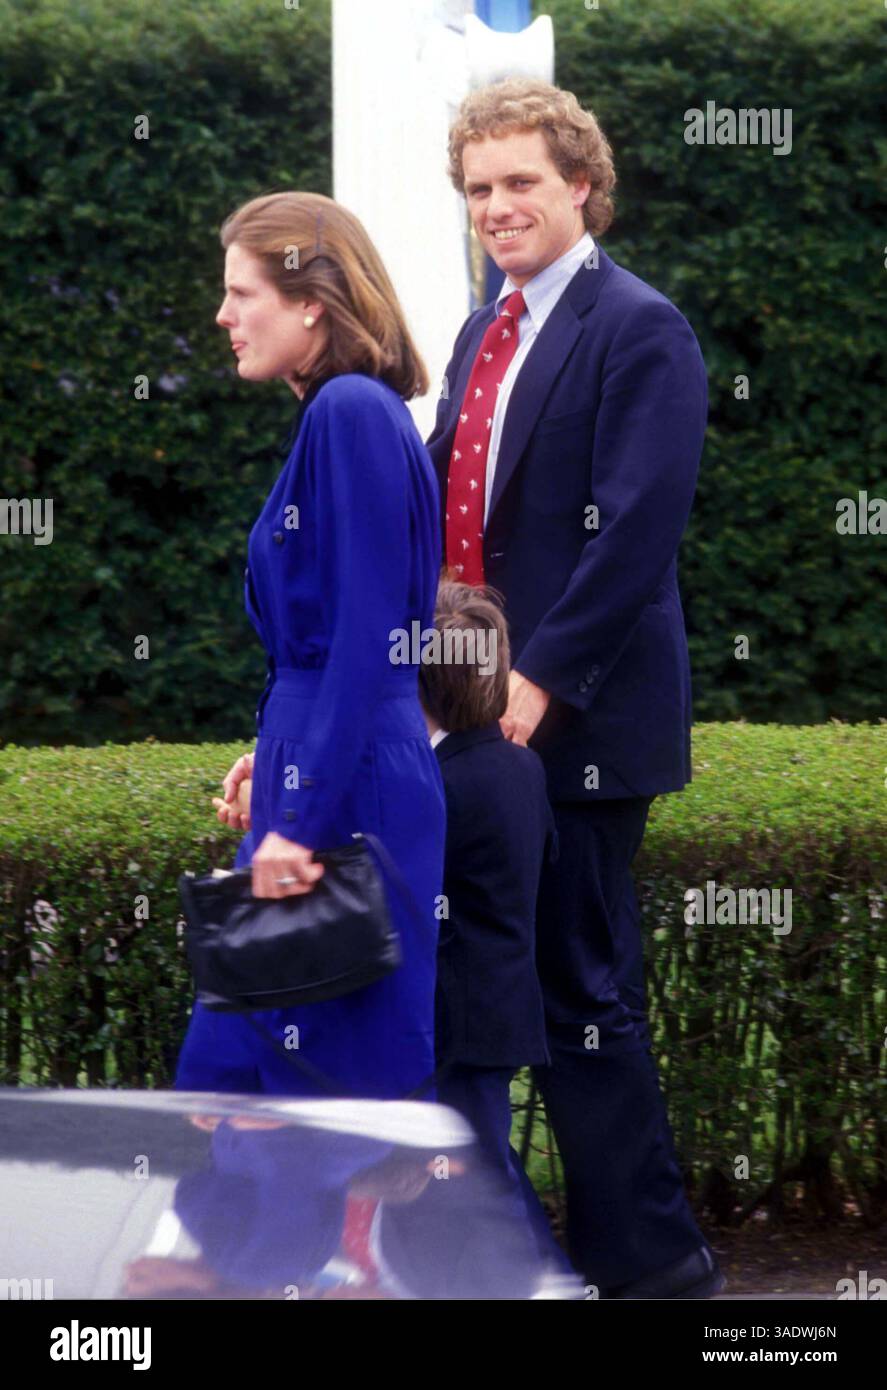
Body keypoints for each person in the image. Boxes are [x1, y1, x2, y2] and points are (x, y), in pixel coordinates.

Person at [425, 78, 724, 1298]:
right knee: (494, 993)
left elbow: (636, 532)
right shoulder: (478, 329)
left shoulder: (638, 326)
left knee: (583, 997)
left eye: (520, 185)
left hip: (580, 721)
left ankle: (659, 1275)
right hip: (476, 718)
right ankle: (515, 1264)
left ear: (582, 188)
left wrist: (539, 679)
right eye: (478, 188)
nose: (496, 208)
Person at [175, 190, 445, 1100]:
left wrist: (301, 807)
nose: (222, 317)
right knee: (273, 1097)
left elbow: (373, 641)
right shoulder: (347, 416)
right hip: (337, 763)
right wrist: (278, 755)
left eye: (241, 294)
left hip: (348, 788)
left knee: (282, 1102)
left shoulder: (351, 415)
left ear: (310, 302)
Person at [417, 576, 570, 1272]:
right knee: (476, 1163)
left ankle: (540, 1281)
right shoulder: (521, 768)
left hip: (455, 1018)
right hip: (502, 1006)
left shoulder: (436, 787)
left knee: (480, 1178)